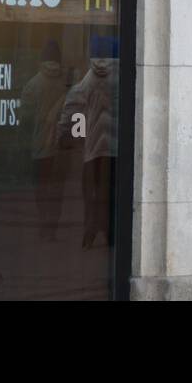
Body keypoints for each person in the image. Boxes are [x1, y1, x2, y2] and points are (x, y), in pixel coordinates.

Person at [60, 36, 118, 249]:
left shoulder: (86, 81)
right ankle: (111, 232)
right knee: (111, 192)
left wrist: (66, 133)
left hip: (92, 149)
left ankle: (89, 232)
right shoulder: (122, 79)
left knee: (90, 193)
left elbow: (72, 108)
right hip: (115, 149)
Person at [21, 39, 70, 240]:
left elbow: (25, 118)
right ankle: (53, 228)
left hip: (40, 146)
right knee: (57, 191)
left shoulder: (33, 84)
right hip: (62, 148)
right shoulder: (65, 83)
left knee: (41, 189)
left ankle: (43, 226)